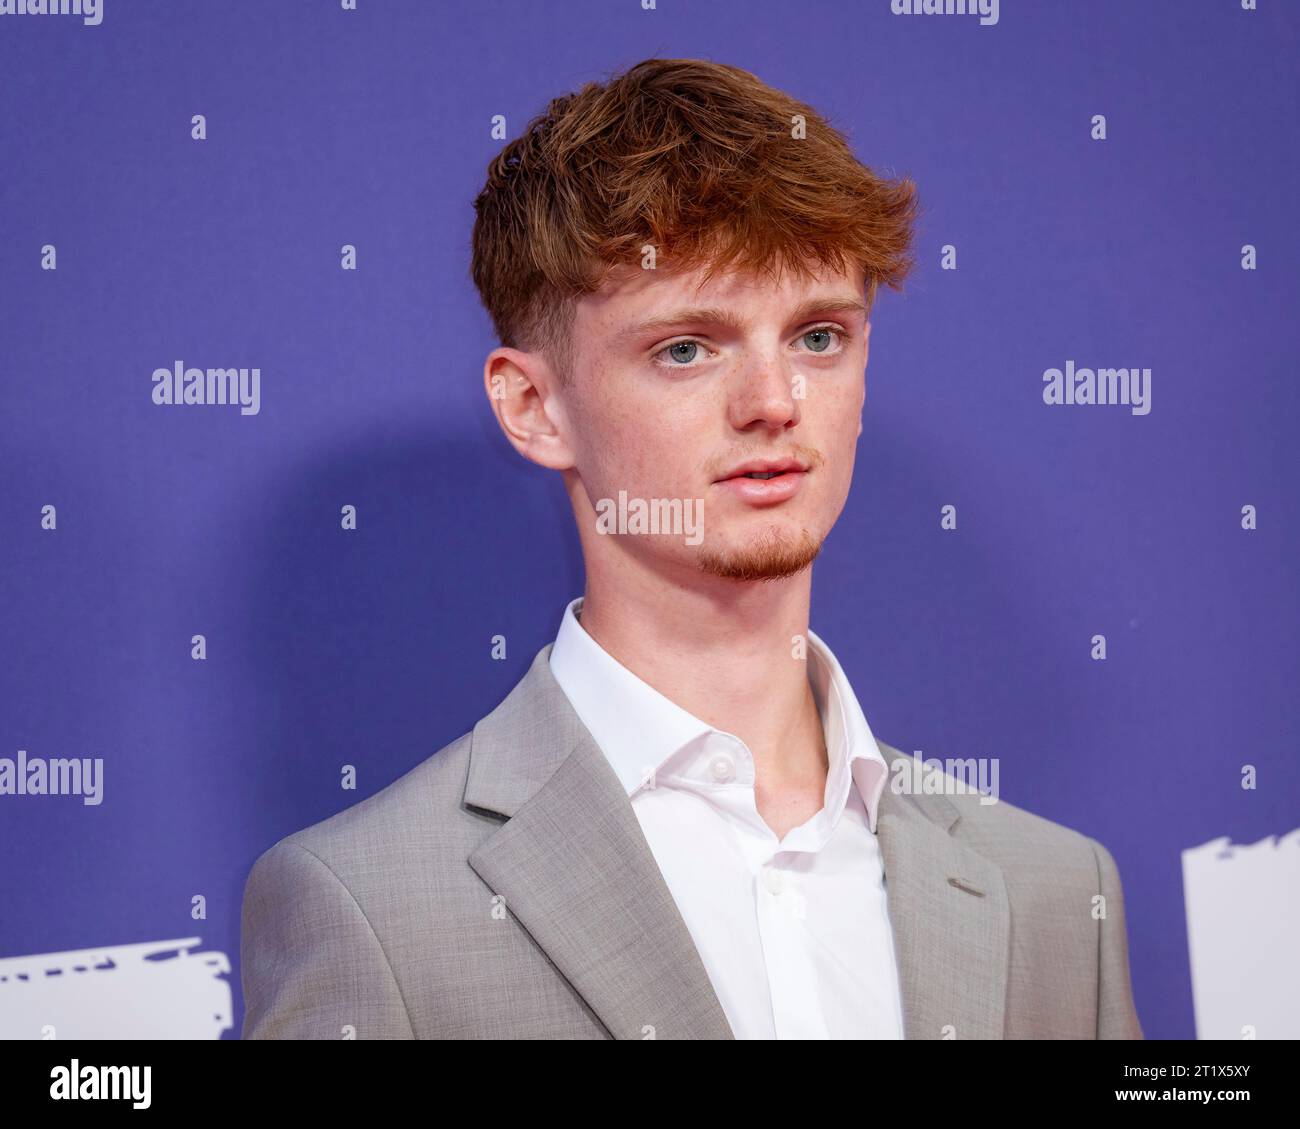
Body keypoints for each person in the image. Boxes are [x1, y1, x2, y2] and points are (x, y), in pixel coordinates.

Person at [240, 57, 1142, 1040]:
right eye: (685, 348)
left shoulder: (1053, 893)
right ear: (534, 406)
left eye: (818, 337)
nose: (773, 403)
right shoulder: (372, 908)